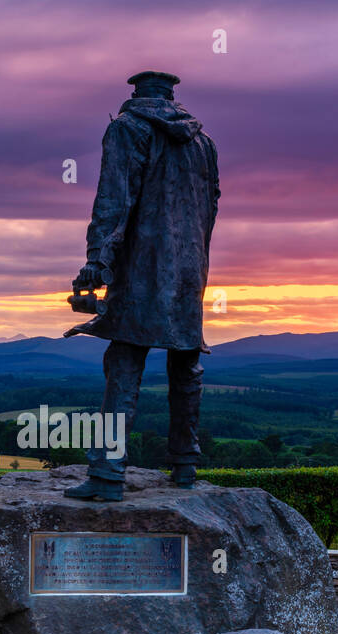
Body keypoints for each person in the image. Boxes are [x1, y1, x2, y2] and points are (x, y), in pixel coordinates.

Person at [63, 70, 220, 502]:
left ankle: (108, 473)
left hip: (142, 268)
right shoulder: (203, 143)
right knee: (185, 364)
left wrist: (99, 259)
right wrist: (194, 259)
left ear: (137, 93)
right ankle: (185, 466)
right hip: (190, 269)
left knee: (124, 363)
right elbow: (212, 206)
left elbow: (114, 199)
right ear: (172, 96)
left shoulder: (126, 129)